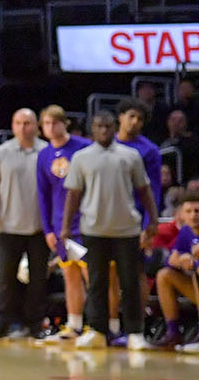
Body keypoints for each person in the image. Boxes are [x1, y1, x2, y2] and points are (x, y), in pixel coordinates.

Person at [62, 112, 154, 350]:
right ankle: (98, 330)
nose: (104, 130)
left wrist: (152, 220)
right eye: (99, 126)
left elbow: (144, 191)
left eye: (108, 126)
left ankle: (135, 332)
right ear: (93, 129)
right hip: (93, 229)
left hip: (126, 229)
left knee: (130, 282)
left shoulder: (130, 156)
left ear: (115, 128)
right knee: (96, 282)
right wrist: (65, 227)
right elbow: (73, 194)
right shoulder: (81, 157)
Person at [0, 108, 47, 340]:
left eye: (27, 123)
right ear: (12, 125)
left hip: (40, 227)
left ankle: (35, 324)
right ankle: (2, 324)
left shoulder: (47, 152)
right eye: (18, 123)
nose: (23, 127)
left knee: (39, 279)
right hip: (9, 226)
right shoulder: (1, 153)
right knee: (5, 279)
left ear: (36, 125)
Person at [36, 105, 92, 343]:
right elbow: (43, 194)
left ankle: (100, 325)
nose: (51, 128)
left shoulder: (83, 148)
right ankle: (74, 324)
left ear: (65, 123)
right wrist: (48, 229)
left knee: (94, 277)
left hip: (86, 223)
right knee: (70, 274)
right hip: (61, 228)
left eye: (55, 123)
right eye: (46, 124)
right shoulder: (44, 155)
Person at [153, 198, 199, 351]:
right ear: (181, 215)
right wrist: (182, 260)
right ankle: (173, 332)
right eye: (189, 211)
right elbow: (172, 260)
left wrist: (194, 261)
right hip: (195, 289)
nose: (194, 215)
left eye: (197, 211)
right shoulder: (186, 231)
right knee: (164, 275)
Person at [116, 100, 165, 219]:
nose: (134, 122)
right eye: (131, 116)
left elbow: (154, 189)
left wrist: (149, 222)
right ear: (121, 117)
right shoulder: (104, 144)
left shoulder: (150, 150)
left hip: (134, 214)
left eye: (140, 119)